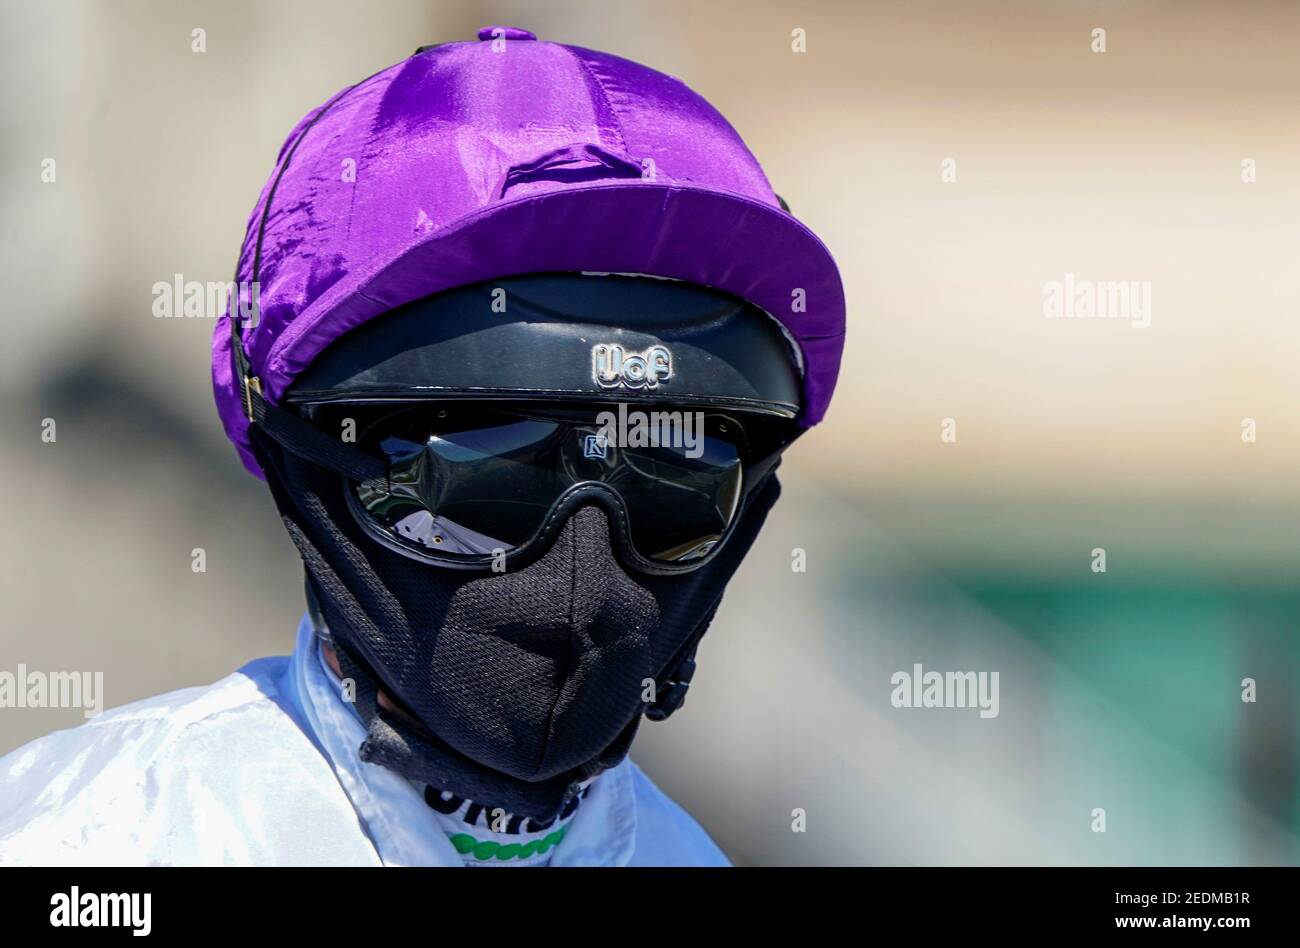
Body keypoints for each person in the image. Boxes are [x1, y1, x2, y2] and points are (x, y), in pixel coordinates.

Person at [0, 26, 844, 866]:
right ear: (303, 458)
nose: (582, 566)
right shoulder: (93, 843)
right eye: (488, 472)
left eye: (671, 480)